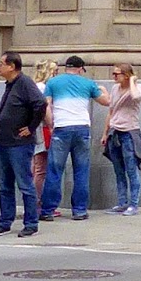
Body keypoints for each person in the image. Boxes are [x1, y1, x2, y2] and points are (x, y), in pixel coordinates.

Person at [40, 55, 108, 221]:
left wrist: (51, 124)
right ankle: (79, 210)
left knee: (55, 170)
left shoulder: (53, 82)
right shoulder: (88, 83)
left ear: (66, 67)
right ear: (80, 68)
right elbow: (106, 102)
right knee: (81, 170)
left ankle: (48, 210)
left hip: (61, 128)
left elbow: (46, 106)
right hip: (82, 128)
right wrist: (104, 89)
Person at [0, 52, 46, 236]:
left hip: (19, 144)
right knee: (5, 185)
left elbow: (40, 104)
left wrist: (30, 127)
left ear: (12, 66)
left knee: (25, 184)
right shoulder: (10, 85)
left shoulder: (24, 83)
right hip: (4, 142)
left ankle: (31, 223)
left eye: (1, 64)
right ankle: (5, 221)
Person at [102, 63, 141, 215]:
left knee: (131, 169)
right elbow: (111, 110)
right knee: (119, 170)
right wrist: (105, 132)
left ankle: (133, 204)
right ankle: (121, 202)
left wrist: (133, 81)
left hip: (130, 132)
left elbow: (136, 97)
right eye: (113, 73)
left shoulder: (137, 87)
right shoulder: (115, 89)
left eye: (117, 74)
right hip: (115, 132)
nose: (114, 76)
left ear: (126, 75)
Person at [29, 59, 58, 209]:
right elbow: (45, 109)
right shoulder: (43, 88)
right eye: (56, 71)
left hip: (36, 129)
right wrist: (51, 125)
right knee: (40, 168)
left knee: (36, 167)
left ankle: (34, 202)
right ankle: (36, 204)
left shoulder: (33, 86)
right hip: (42, 129)